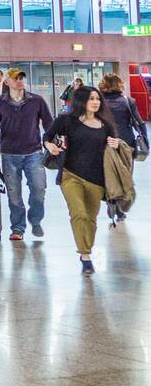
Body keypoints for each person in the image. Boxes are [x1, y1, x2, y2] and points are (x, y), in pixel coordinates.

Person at [43, 86, 126, 275]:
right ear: (81, 101)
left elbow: (117, 149)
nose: (96, 102)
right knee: (78, 213)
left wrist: (116, 143)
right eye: (91, 99)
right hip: (70, 175)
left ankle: (85, 249)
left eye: (97, 99)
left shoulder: (106, 125)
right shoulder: (66, 121)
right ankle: (86, 256)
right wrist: (49, 146)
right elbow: (46, 136)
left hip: (96, 180)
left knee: (90, 218)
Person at [0, 67, 53, 242]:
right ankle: (18, 228)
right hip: (9, 154)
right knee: (14, 194)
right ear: (7, 82)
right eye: (16, 78)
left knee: (38, 189)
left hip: (34, 153)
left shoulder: (37, 101)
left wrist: (49, 141)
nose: (20, 80)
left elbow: (50, 124)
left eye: (22, 78)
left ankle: (35, 220)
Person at [97, 73, 146, 151]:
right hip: (126, 141)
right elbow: (140, 123)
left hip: (104, 141)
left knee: (105, 163)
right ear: (120, 84)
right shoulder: (129, 101)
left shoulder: (98, 102)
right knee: (126, 162)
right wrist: (145, 140)